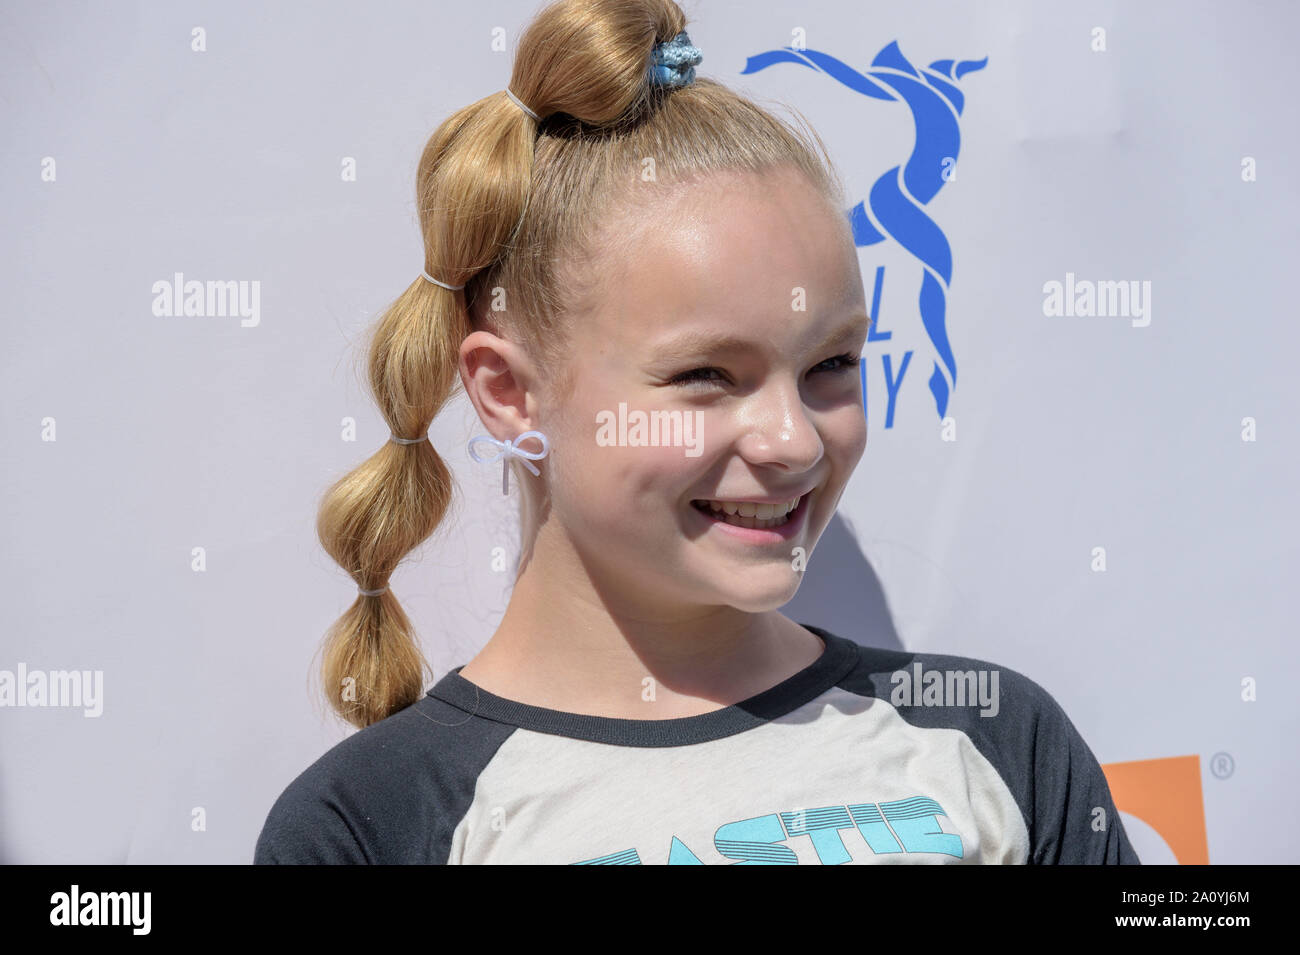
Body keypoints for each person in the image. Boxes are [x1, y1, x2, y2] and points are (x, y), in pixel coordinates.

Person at [254, 0, 1139, 865]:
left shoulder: (996, 742)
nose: (793, 441)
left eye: (832, 363)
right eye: (707, 376)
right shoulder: (373, 824)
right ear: (510, 392)